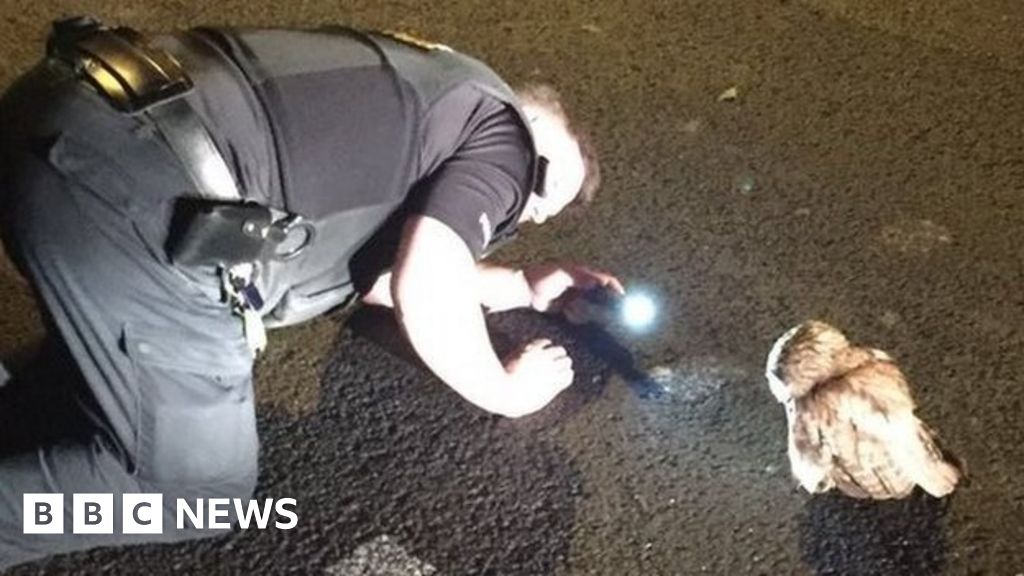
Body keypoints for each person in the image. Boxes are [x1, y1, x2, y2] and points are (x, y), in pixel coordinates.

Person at [0, 17, 622, 568]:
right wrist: (508, 392)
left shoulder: (431, 91)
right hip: (132, 199)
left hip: (66, 110)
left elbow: (379, 272)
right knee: (195, 495)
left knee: (103, 382)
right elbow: (425, 287)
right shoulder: (505, 141)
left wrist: (519, 285)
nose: (519, 214)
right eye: (536, 193)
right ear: (531, 131)